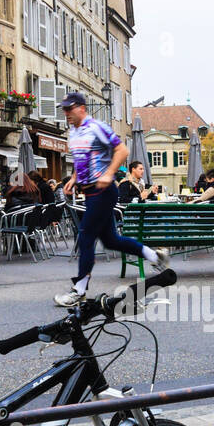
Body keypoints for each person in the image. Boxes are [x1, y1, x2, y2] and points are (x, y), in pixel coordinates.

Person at [54, 92, 168, 308]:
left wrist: (108, 174)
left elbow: (122, 150)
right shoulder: (73, 132)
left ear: (82, 108)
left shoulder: (97, 127)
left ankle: (79, 290)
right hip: (90, 192)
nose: (66, 113)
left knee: (85, 236)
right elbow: (81, 160)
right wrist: (74, 179)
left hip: (103, 191)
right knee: (111, 241)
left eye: (69, 108)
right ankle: (155, 256)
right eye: (64, 109)